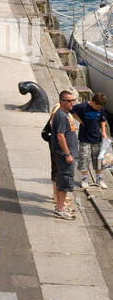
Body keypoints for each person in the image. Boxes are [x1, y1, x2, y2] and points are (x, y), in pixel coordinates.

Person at [51, 90, 79, 220]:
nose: (72, 103)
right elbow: (60, 136)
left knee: (62, 180)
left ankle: (60, 206)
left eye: (72, 100)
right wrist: (67, 153)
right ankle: (60, 209)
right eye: (69, 101)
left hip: (66, 154)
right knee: (65, 181)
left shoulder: (64, 114)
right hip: (65, 156)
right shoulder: (62, 116)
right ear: (61, 102)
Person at [73, 92, 109, 190]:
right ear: (92, 102)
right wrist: (79, 120)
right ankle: (84, 179)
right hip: (84, 138)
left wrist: (104, 132)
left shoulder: (101, 109)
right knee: (84, 158)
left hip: (97, 137)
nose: (99, 109)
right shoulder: (82, 107)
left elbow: (102, 120)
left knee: (98, 159)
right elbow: (71, 110)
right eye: (97, 107)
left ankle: (99, 178)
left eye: (100, 107)